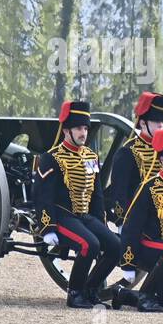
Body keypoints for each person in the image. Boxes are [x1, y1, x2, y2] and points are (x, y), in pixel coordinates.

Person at [33, 101, 124, 309]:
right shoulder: (51, 158)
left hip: (85, 216)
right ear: (66, 130)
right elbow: (42, 196)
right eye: (78, 128)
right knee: (88, 245)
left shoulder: (91, 157)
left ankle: (90, 290)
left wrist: (101, 224)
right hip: (62, 216)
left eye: (85, 128)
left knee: (115, 246)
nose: (83, 133)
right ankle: (74, 293)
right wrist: (47, 227)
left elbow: (97, 195)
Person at [109, 127, 163, 312]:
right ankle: (145, 297)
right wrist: (128, 263)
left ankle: (122, 294)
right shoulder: (148, 187)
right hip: (146, 248)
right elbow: (130, 228)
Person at [105, 91, 163, 223]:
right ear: (143, 123)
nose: (161, 125)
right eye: (156, 120)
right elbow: (120, 193)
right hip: (136, 220)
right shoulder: (127, 153)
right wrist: (123, 221)